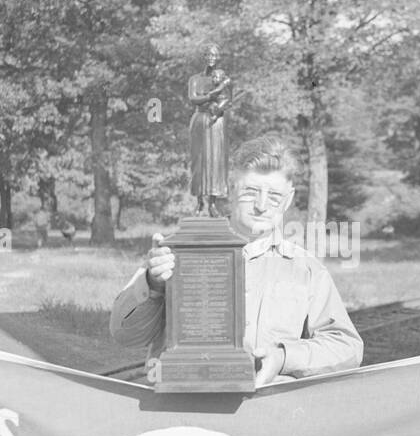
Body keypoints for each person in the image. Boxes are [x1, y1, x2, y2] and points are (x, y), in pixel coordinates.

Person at [109, 135, 363, 386]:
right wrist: (153, 285)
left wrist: (284, 357)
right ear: (230, 190)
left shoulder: (305, 269)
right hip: (181, 403)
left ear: (288, 200)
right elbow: (124, 335)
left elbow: (347, 347)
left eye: (274, 196)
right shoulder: (178, 252)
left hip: (265, 408)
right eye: (250, 192)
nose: (262, 206)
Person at [187, 44, 233, 216]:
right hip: (200, 120)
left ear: (218, 57)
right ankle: (199, 202)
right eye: (208, 54)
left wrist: (219, 106)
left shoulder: (223, 78)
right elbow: (193, 99)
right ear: (203, 56)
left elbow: (229, 99)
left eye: (214, 54)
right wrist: (210, 96)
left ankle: (212, 204)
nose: (211, 57)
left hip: (216, 122)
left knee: (216, 160)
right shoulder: (195, 79)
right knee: (198, 160)